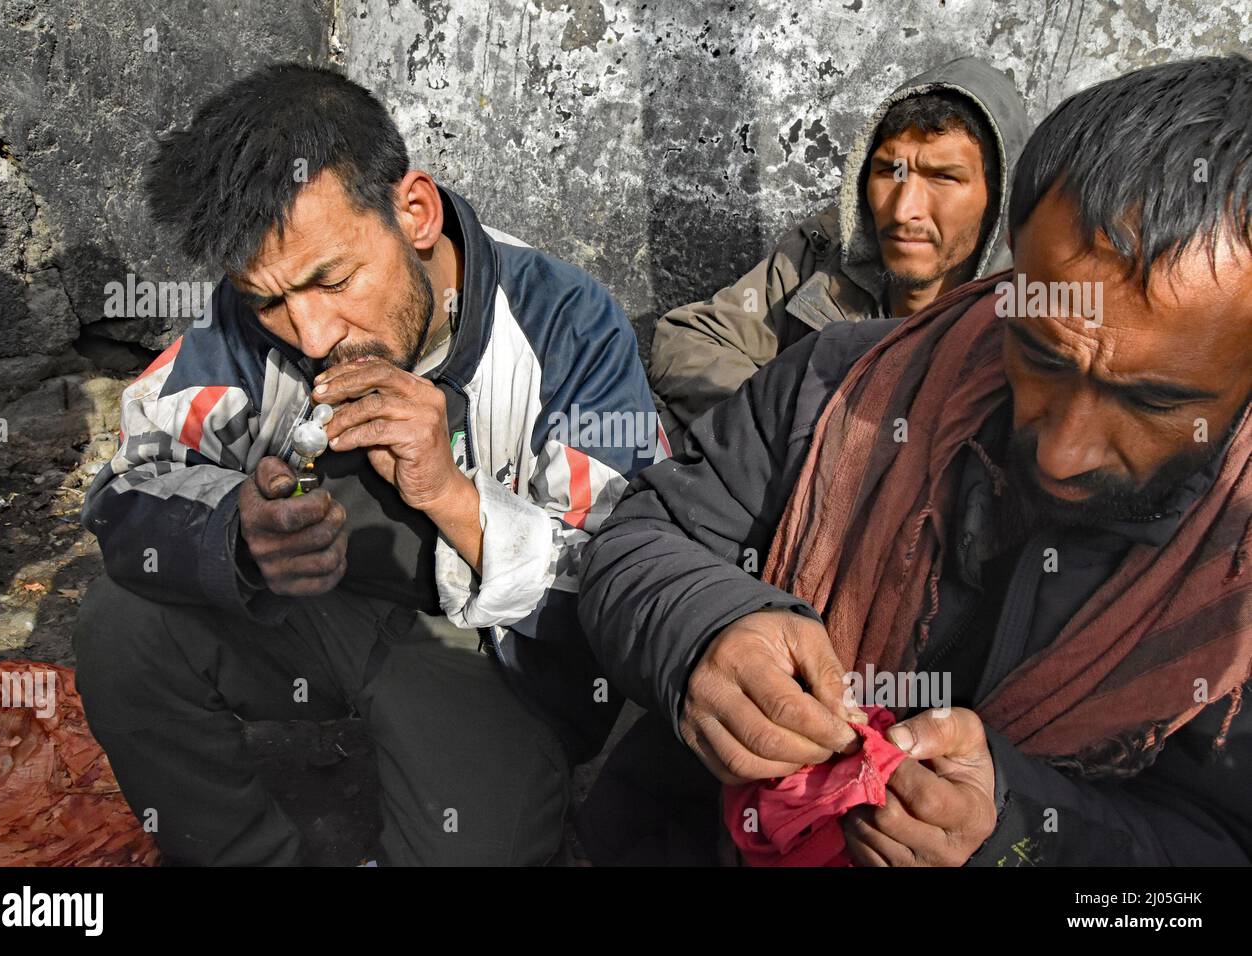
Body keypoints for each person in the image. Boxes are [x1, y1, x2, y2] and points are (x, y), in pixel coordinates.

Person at [578, 55, 1252, 866]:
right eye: (1040, 355)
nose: (1066, 450)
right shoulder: (841, 382)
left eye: (1153, 403)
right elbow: (642, 537)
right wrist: (702, 631)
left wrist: (1018, 833)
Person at [74, 64, 665, 866]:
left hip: (485, 653)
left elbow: (624, 582)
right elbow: (131, 481)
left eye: (335, 280)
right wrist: (237, 530)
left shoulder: (569, 325)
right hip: (320, 615)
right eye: (272, 301)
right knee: (124, 617)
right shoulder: (248, 319)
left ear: (414, 212)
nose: (313, 335)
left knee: (476, 847)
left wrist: (454, 497)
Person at [649, 56, 1032, 452]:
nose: (903, 211)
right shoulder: (827, 250)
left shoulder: (1024, 314)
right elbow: (689, 343)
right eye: (889, 172)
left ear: (999, 199)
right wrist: (795, 431)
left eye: (943, 178)